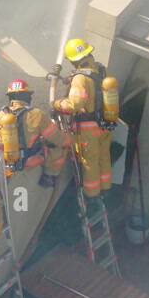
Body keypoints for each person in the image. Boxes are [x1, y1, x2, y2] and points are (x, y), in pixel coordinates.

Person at [52, 38, 113, 211]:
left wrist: (56, 104)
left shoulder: (80, 78)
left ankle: (92, 195)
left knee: (90, 162)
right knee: (104, 157)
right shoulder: (101, 70)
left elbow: (74, 105)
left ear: (73, 60)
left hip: (88, 129)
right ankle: (106, 189)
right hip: (106, 123)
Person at [0, 79, 70, 188]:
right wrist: (70, 139)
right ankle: (49, 177)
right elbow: (58, 140)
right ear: (26, 96)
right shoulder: (36, 114)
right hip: (29, 161)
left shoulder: (0, 115)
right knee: (58, 149)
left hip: (7, 163)